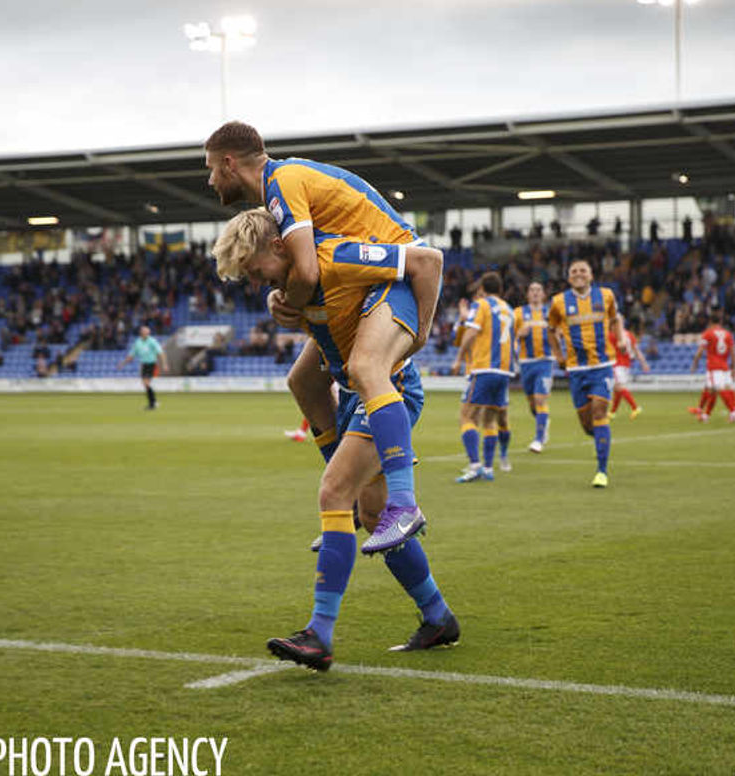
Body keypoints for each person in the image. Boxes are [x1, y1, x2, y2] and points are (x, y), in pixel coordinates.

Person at [212, 207, 457, 671]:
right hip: (349, 394)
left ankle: (319, 634)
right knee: (370, 511)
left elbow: (426, 260)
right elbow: (325, 345)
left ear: (279, 246)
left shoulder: (338, 257)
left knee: (334, 491)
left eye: (256, 269)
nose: (260, 283)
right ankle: (438, 616)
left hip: (389, 390)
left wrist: (421, 332)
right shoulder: (292, 291)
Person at [205, 120, 429, 549]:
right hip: (366, 275)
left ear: (229, 163)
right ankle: (343, 490)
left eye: (212, 169)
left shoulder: (282, 182)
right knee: (303, 380)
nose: (210, 179)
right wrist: (282, 298)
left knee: (365, 367)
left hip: (393, 271)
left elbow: (306, 270)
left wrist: (421, 329)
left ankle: (403, 502)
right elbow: (300, 271)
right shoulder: (278, 191)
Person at [546, 260, 624, 488]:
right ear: (569, 277)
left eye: (583, 270)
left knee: (600, 412)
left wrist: (620, 338)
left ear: (591, 275)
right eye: (574, 271)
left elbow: (616, 318)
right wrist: (558, 356)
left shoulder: (606, 295)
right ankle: (601, 439)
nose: (578, 274)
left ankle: (602, 470)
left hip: (602, 366)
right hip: (576, 370)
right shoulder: (559, 302)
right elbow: (551, 331)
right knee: (588, 424)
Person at [453, 273, 515, 482]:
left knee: (467, 416)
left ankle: (474, 465)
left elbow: (470, 334)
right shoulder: (509, 309)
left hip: (483, 368)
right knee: (489, 419)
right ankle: (488, 468)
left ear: (483, 288)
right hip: (504, 371)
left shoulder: (481, 305)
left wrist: (458, 359)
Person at [514, 281, 559, 453]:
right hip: (526, 363)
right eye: (531, 290)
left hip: (546, 362)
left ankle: (538, 439)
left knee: (541, 399)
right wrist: (519, 334)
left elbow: (560, 334)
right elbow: (509, 337)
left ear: (543, 294)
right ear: (527, 294)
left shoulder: (551, 313)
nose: (535, 293)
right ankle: (543, 422)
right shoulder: (518, 313)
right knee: (532, 403)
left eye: (538, 290)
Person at [690, 312, 735, 423]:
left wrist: (695, 363)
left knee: (719, 389)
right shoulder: (728, 334)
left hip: (714, 367)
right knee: (715, 389)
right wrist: (734, 368)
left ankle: (733, 412)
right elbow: (733, 352)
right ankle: (705, 415)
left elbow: (700, 351)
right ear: (720, 322)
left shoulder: (708, 334)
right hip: (724, 366)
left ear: (710, 322)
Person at [609, 316, 649, 420]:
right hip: (626, 364)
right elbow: (636, 351)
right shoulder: (629, 335)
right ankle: (612, 412)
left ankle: (635, 407)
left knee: (618, 387)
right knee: (617, 389)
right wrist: (644, 363)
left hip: (616, 364)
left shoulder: (613, 335)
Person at [119, 326, 164, 410]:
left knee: (146, 383)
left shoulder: (152, 341)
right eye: (144, 331)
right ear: (141, 333)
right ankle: (153, 402)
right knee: (145, 384)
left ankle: (152, 404)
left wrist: (165, 364)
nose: (146, 333)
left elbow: (160, 352)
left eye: (147, 332)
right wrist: (123, 363)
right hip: (143, 364)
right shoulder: (138, 342)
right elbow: (131, 355)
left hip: (151, 364)